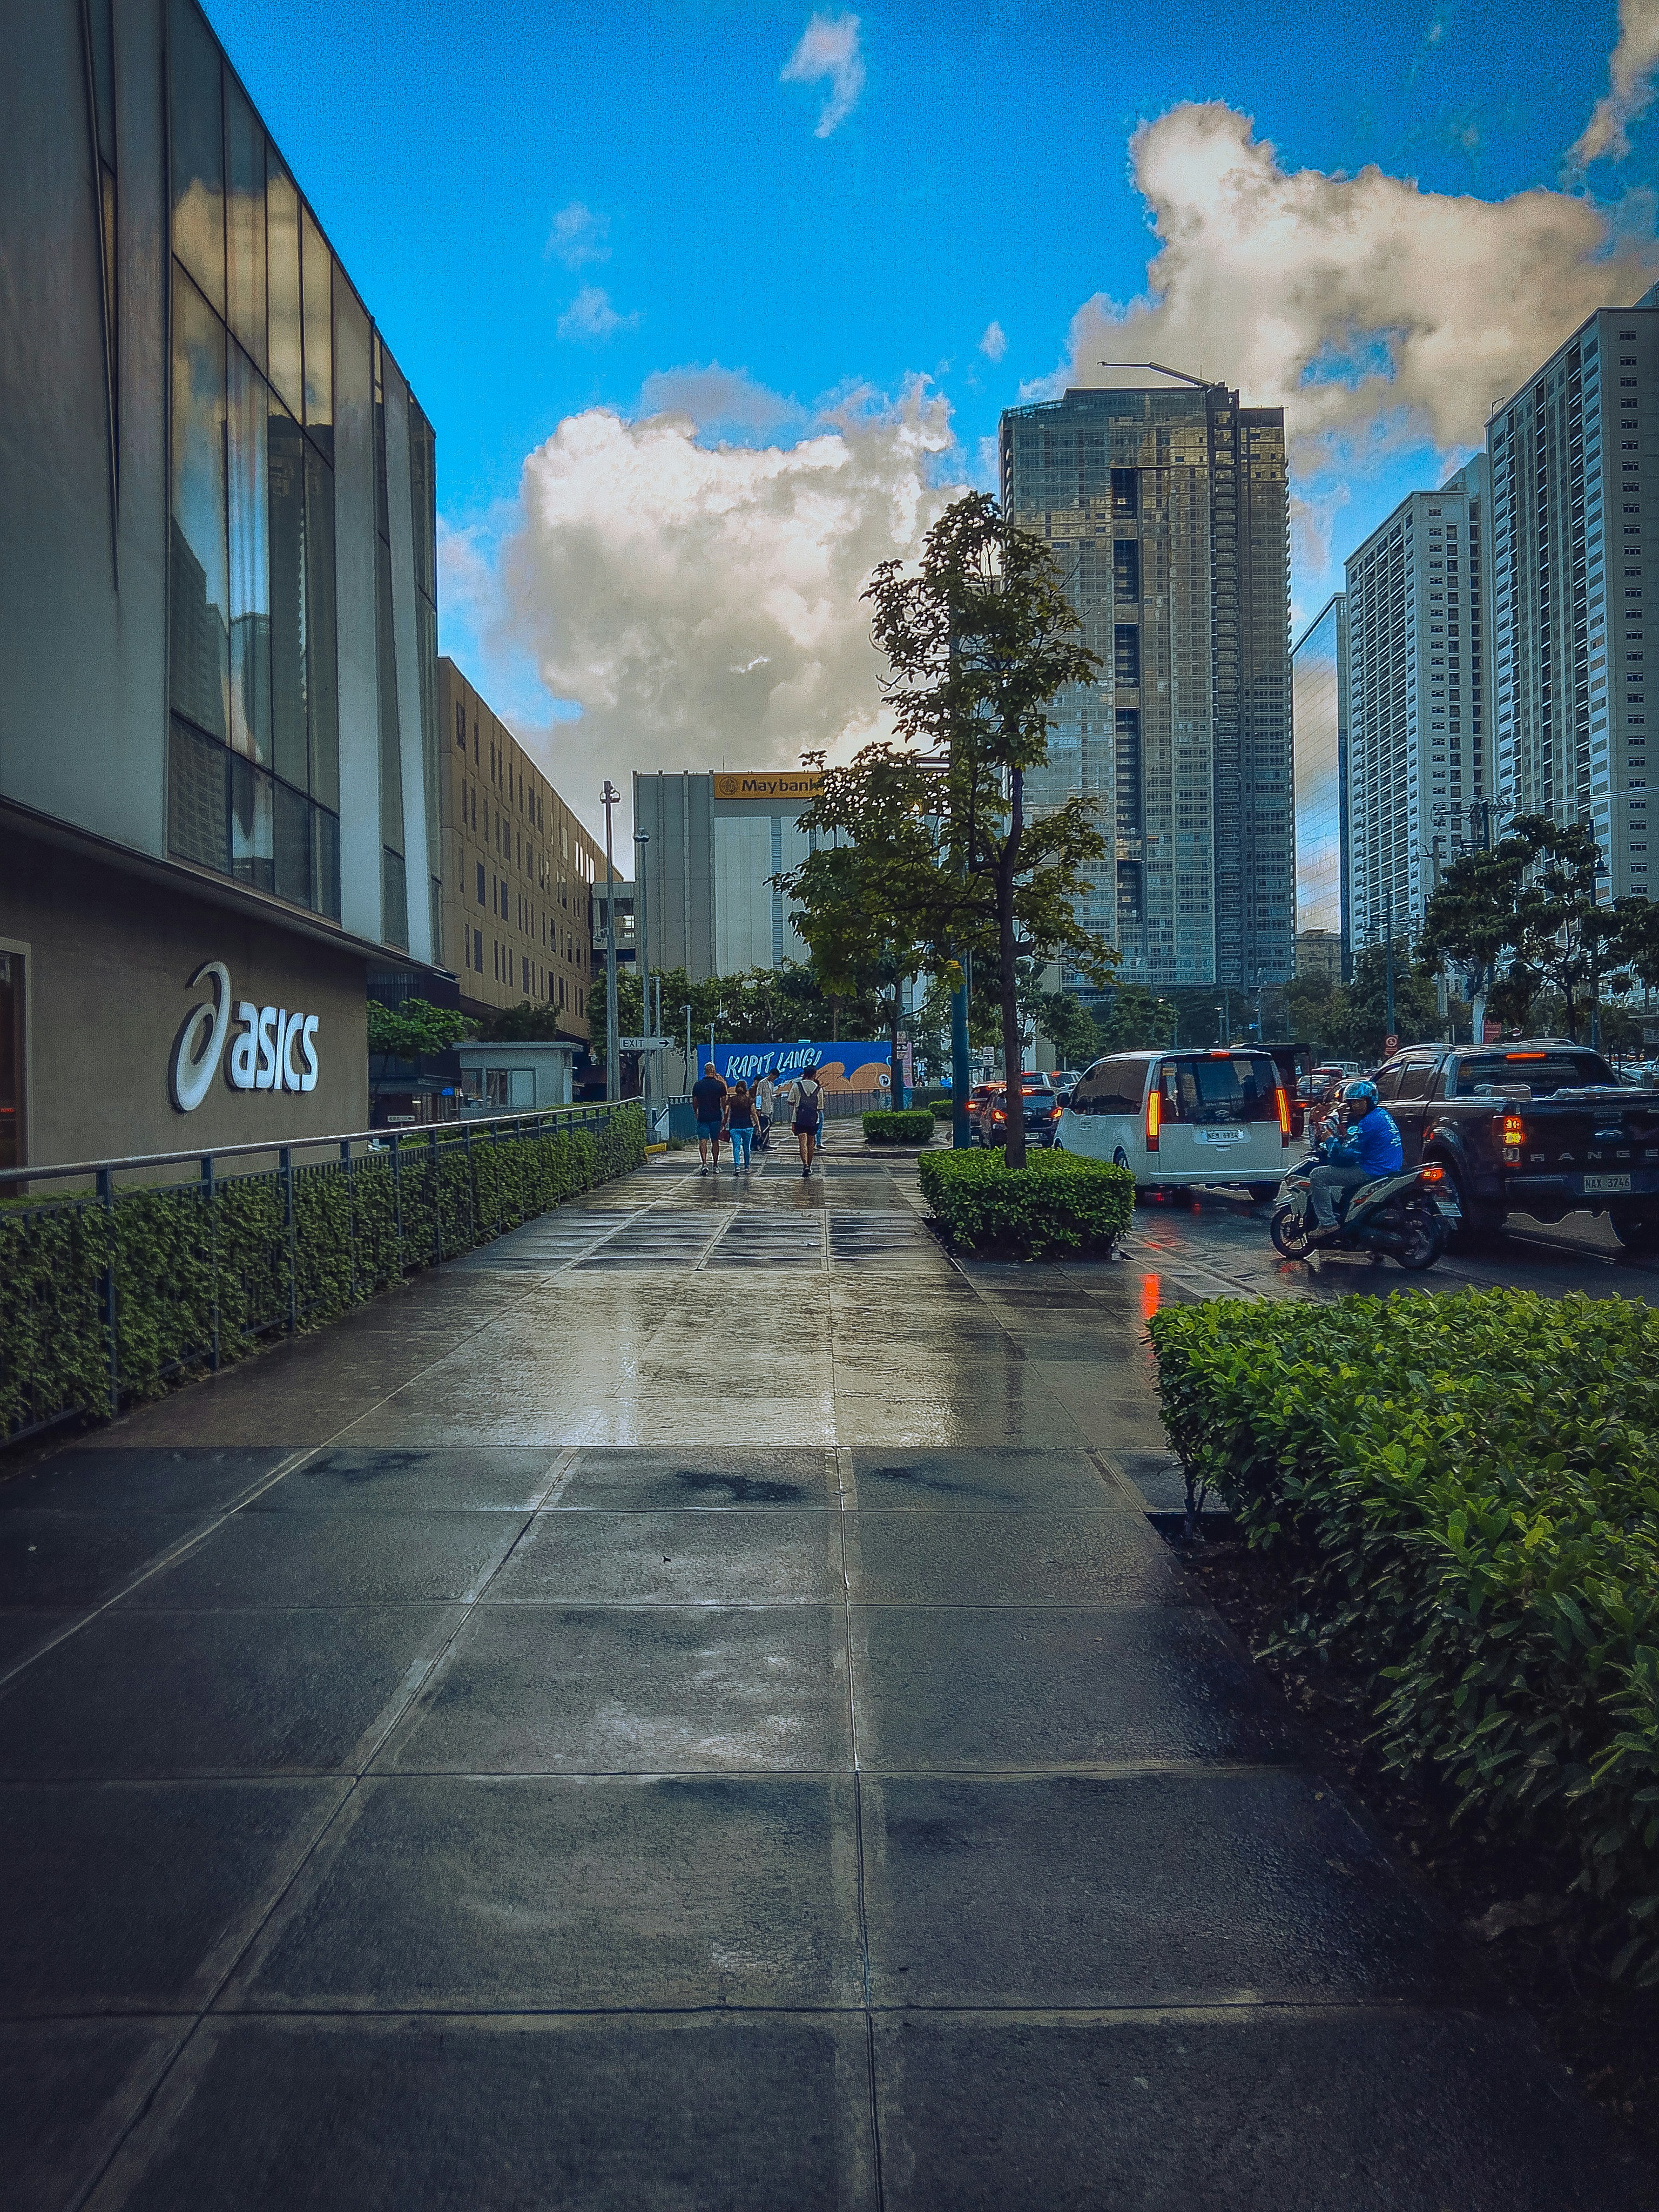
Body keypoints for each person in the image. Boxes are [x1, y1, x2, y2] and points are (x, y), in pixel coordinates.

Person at [1309, 1077, 1403, 1236]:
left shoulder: (1369, 1122)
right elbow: (1355, 1141)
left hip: (1372, 1170)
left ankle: (1328, 1223)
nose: (1355, 1106)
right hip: (1390, 1167)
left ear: (1370, 1101)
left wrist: (1329, 1140)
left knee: (1318, 1176)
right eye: (1352, 1103)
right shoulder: (1382, 1115)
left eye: (1359, 1102)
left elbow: (1348, 1155)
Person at [691, 1061, 727, 1176]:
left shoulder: (698, 1085)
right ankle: (715, 1165)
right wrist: (724, 1114)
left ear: (705, 1072)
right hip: (716, 1116)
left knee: (703, 1141)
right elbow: (724, 1101)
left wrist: (696, 1112)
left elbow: (695, 1101)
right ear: (714, 1071)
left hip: (703, 1116)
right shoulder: (719, 1085)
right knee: (715, 1141)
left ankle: (704, 1164)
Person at [792, 1062, 824, 1177]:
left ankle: (805, 1165)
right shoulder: (819, 1089)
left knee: (802, 1143)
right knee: (811, 1143)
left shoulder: (796, 1085)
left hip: (799, 1118)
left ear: (804, 1074)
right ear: (815, 1075)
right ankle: (809, 1167)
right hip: (813, 1119)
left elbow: (791, 1101)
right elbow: (820, 1107)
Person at [726, 1080, 757, 1170]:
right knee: (746, 1147)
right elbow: (754, 1113)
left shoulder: (731, 1100)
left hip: (734, 1126)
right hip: (747, 1126)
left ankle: (737, 1166)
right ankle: (747, 1166)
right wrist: (758, 1126)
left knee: (736, 1147)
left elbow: (726, 1112)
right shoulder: (749, 1100)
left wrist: (725, 1121)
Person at [755, 1069, 778, 1152]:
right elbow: (759, 1096)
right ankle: (760, 1144)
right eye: (774, 1077)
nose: (774, 1079)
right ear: (771, 1075)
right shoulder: (762, 1083)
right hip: (764, 1108)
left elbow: (770, 1096)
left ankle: (766, 1143)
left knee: (768, 1127)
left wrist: (775, 1096)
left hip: (770, 1108)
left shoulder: (771, 1084)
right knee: (763, 1127)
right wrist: (758, 1108)